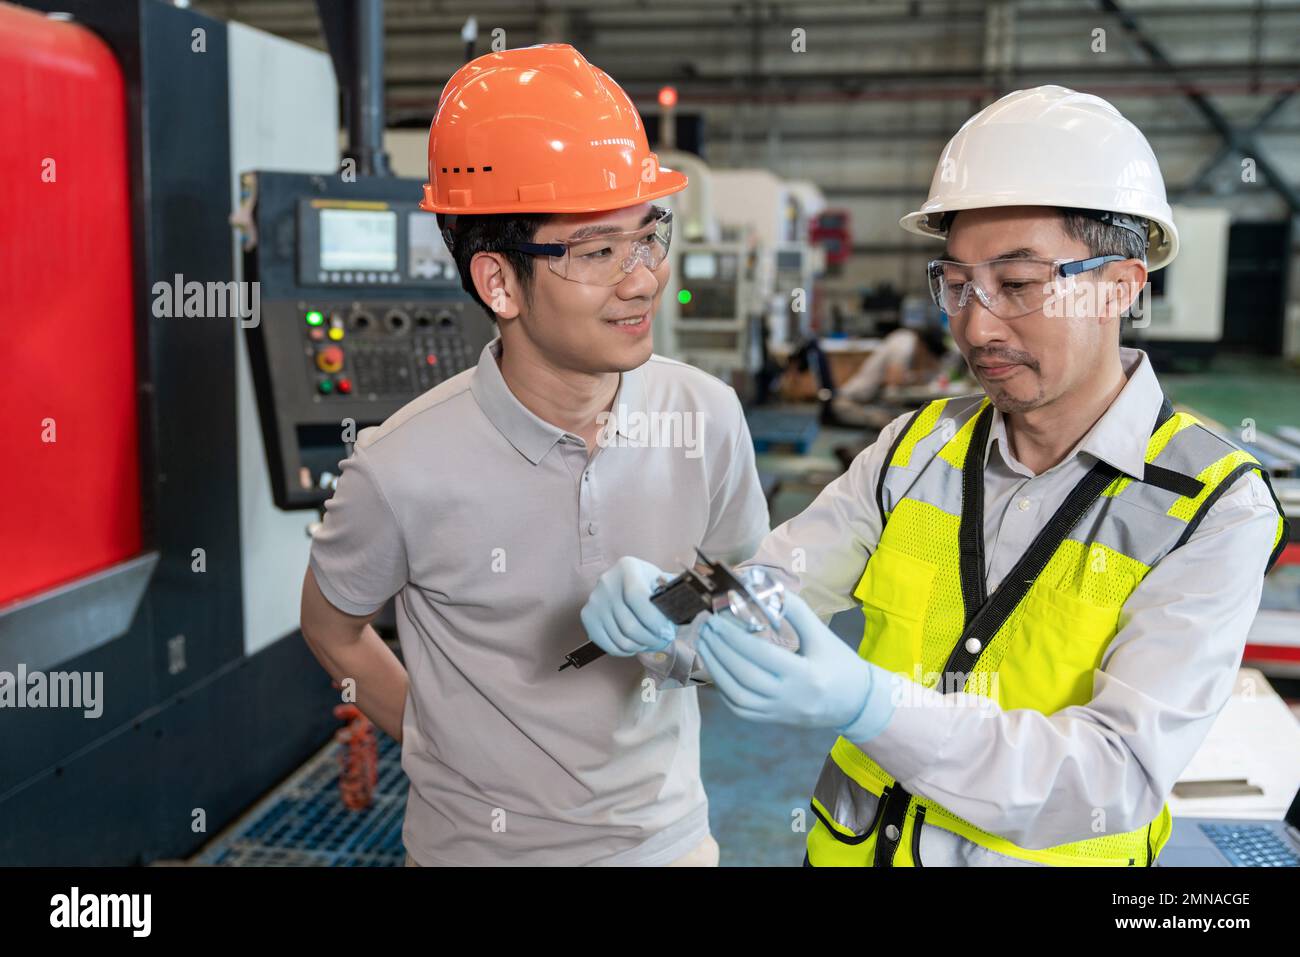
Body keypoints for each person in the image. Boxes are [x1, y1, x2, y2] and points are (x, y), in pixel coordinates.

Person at [585, 85, 1288, 866]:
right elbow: (774, 588)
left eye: (1018, 286)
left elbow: (1109, 776)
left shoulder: (1211, 506)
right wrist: (669, 616)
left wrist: (870, 702)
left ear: (1122, 284)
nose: (977, 326)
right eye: (956, 284)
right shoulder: (915, 449)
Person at [300, 44, 769, 867]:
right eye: (596, 252)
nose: (643, 279)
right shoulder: (399, 467)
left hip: (668, 846)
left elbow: (742, 583)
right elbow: (332, 628)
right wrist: (445, 740)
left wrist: (685, 640)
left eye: (647, 236)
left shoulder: (706, 415)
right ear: (499, 283)